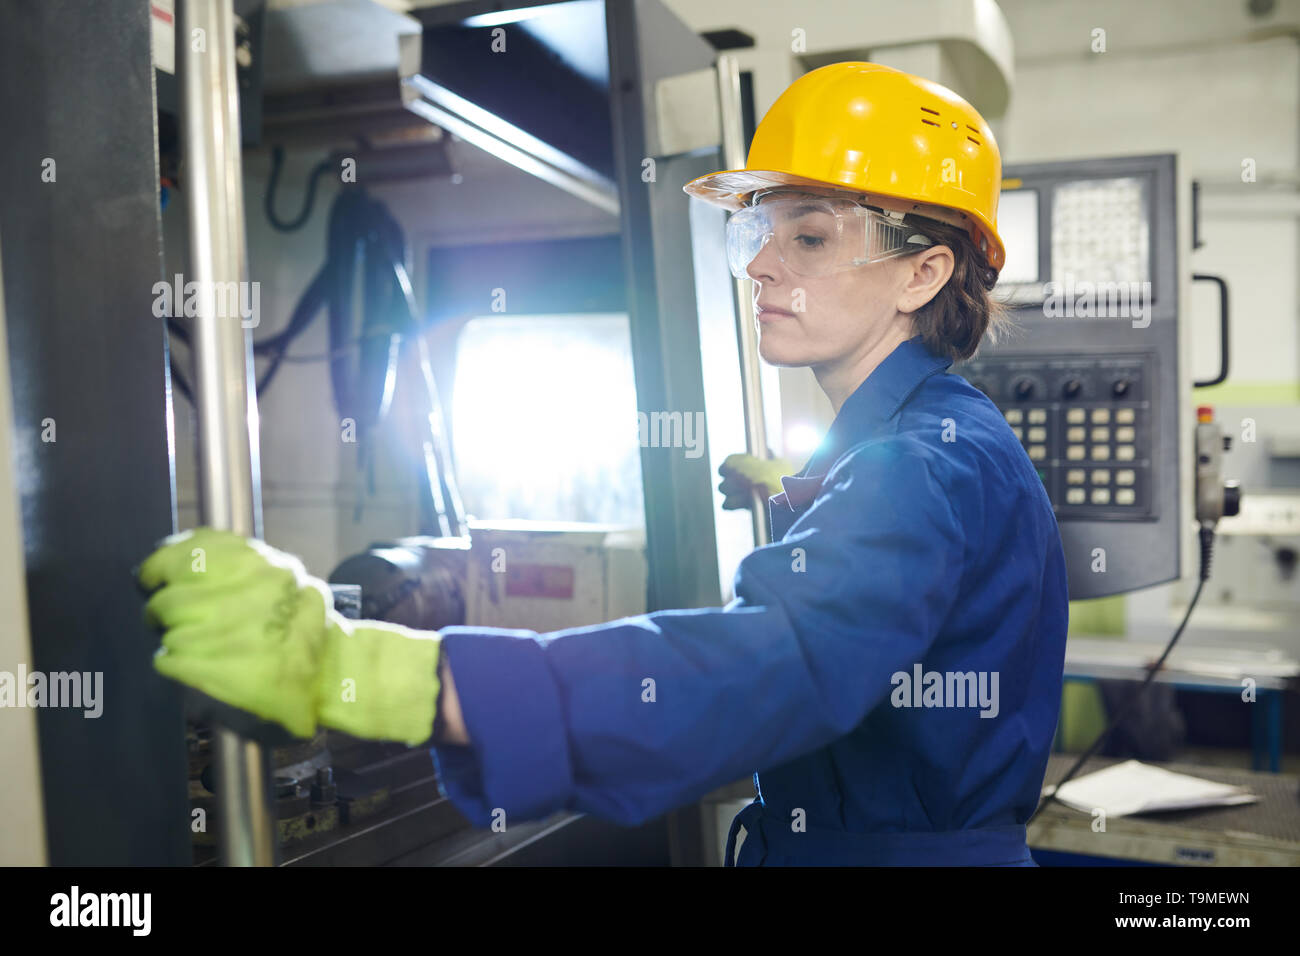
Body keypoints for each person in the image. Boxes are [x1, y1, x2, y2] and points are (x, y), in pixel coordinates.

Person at [139, 62, 1068, 866]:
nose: (760, 268)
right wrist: (798, 501)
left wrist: (365, 669)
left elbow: (775, 663)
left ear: (923, 273)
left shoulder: (918, 465)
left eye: (811, 236)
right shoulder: (924, 440)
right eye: (763, 230)